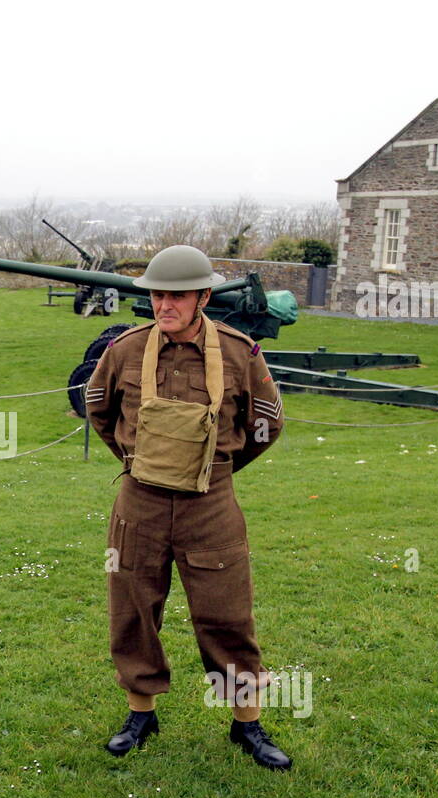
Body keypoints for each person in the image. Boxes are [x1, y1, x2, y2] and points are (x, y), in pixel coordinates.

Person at [85, 245, 291, 770]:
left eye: (177, 296)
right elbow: (100, 410)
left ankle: (247, 725)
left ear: (202, 298)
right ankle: (141, 714)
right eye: (158, 295)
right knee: (133, 611)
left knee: (227, 615)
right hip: (140, 503)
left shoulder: (240, 353)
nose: (165, 305)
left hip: (211, 506)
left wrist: (216, 469)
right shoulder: (125, 350)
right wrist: (137, 461)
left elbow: (266, 425)